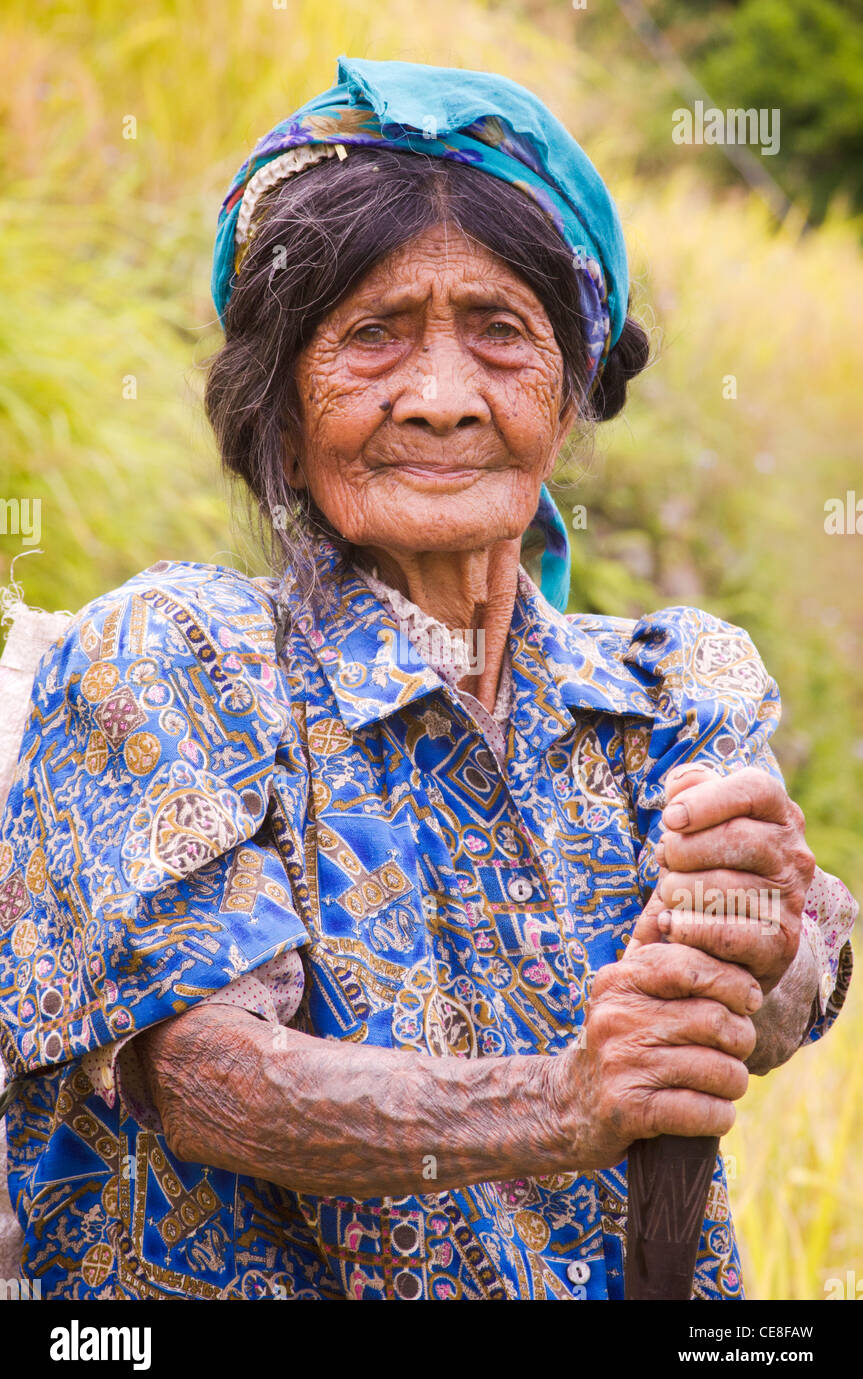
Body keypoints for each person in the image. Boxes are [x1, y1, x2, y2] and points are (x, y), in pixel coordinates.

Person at [0, 57, 855, 1301]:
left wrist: (759, 940)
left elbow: (780, 1003)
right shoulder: (178, 656)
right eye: (371, 336)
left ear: (569, 394)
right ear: (280, 411)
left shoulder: (673, 687)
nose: (444, 400)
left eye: (501, 333)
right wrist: (564, 1101)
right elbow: (208, 1081)